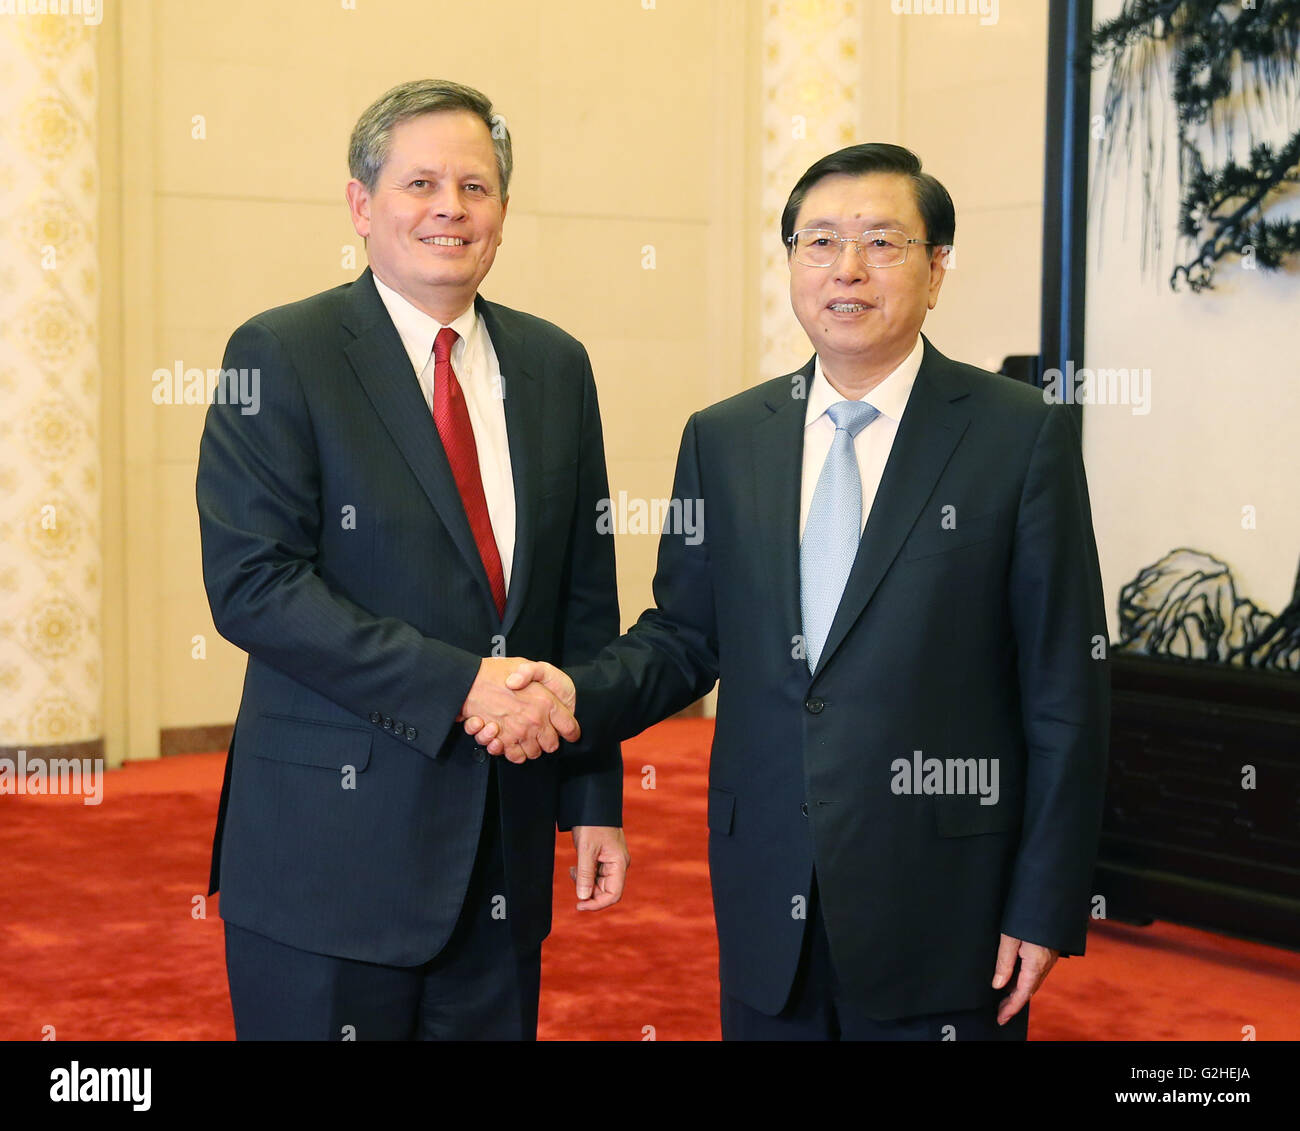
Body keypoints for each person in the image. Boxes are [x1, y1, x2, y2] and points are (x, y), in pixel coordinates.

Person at [472, 143, 1110, 1041]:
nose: (847, 268)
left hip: (946, 905)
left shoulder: (1019, 438)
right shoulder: (727, 438)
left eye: (883, 242)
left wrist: (1046, 903)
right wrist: (574, 693)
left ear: (936, 271)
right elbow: (684, 637)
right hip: (770, 891)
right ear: (791, 267)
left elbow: (1065, 691)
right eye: (819, 242)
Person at [196, 79, 629, 1041]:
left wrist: (594, 794)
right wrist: (461, 685)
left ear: (504, 214)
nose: (450, 208)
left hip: (502, 856)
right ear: (360, 204)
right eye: (420, 182)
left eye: (476, 187)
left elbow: (580, 602)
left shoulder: (556, 365)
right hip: (327, 859)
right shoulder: (281, 351)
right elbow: (254, 585)